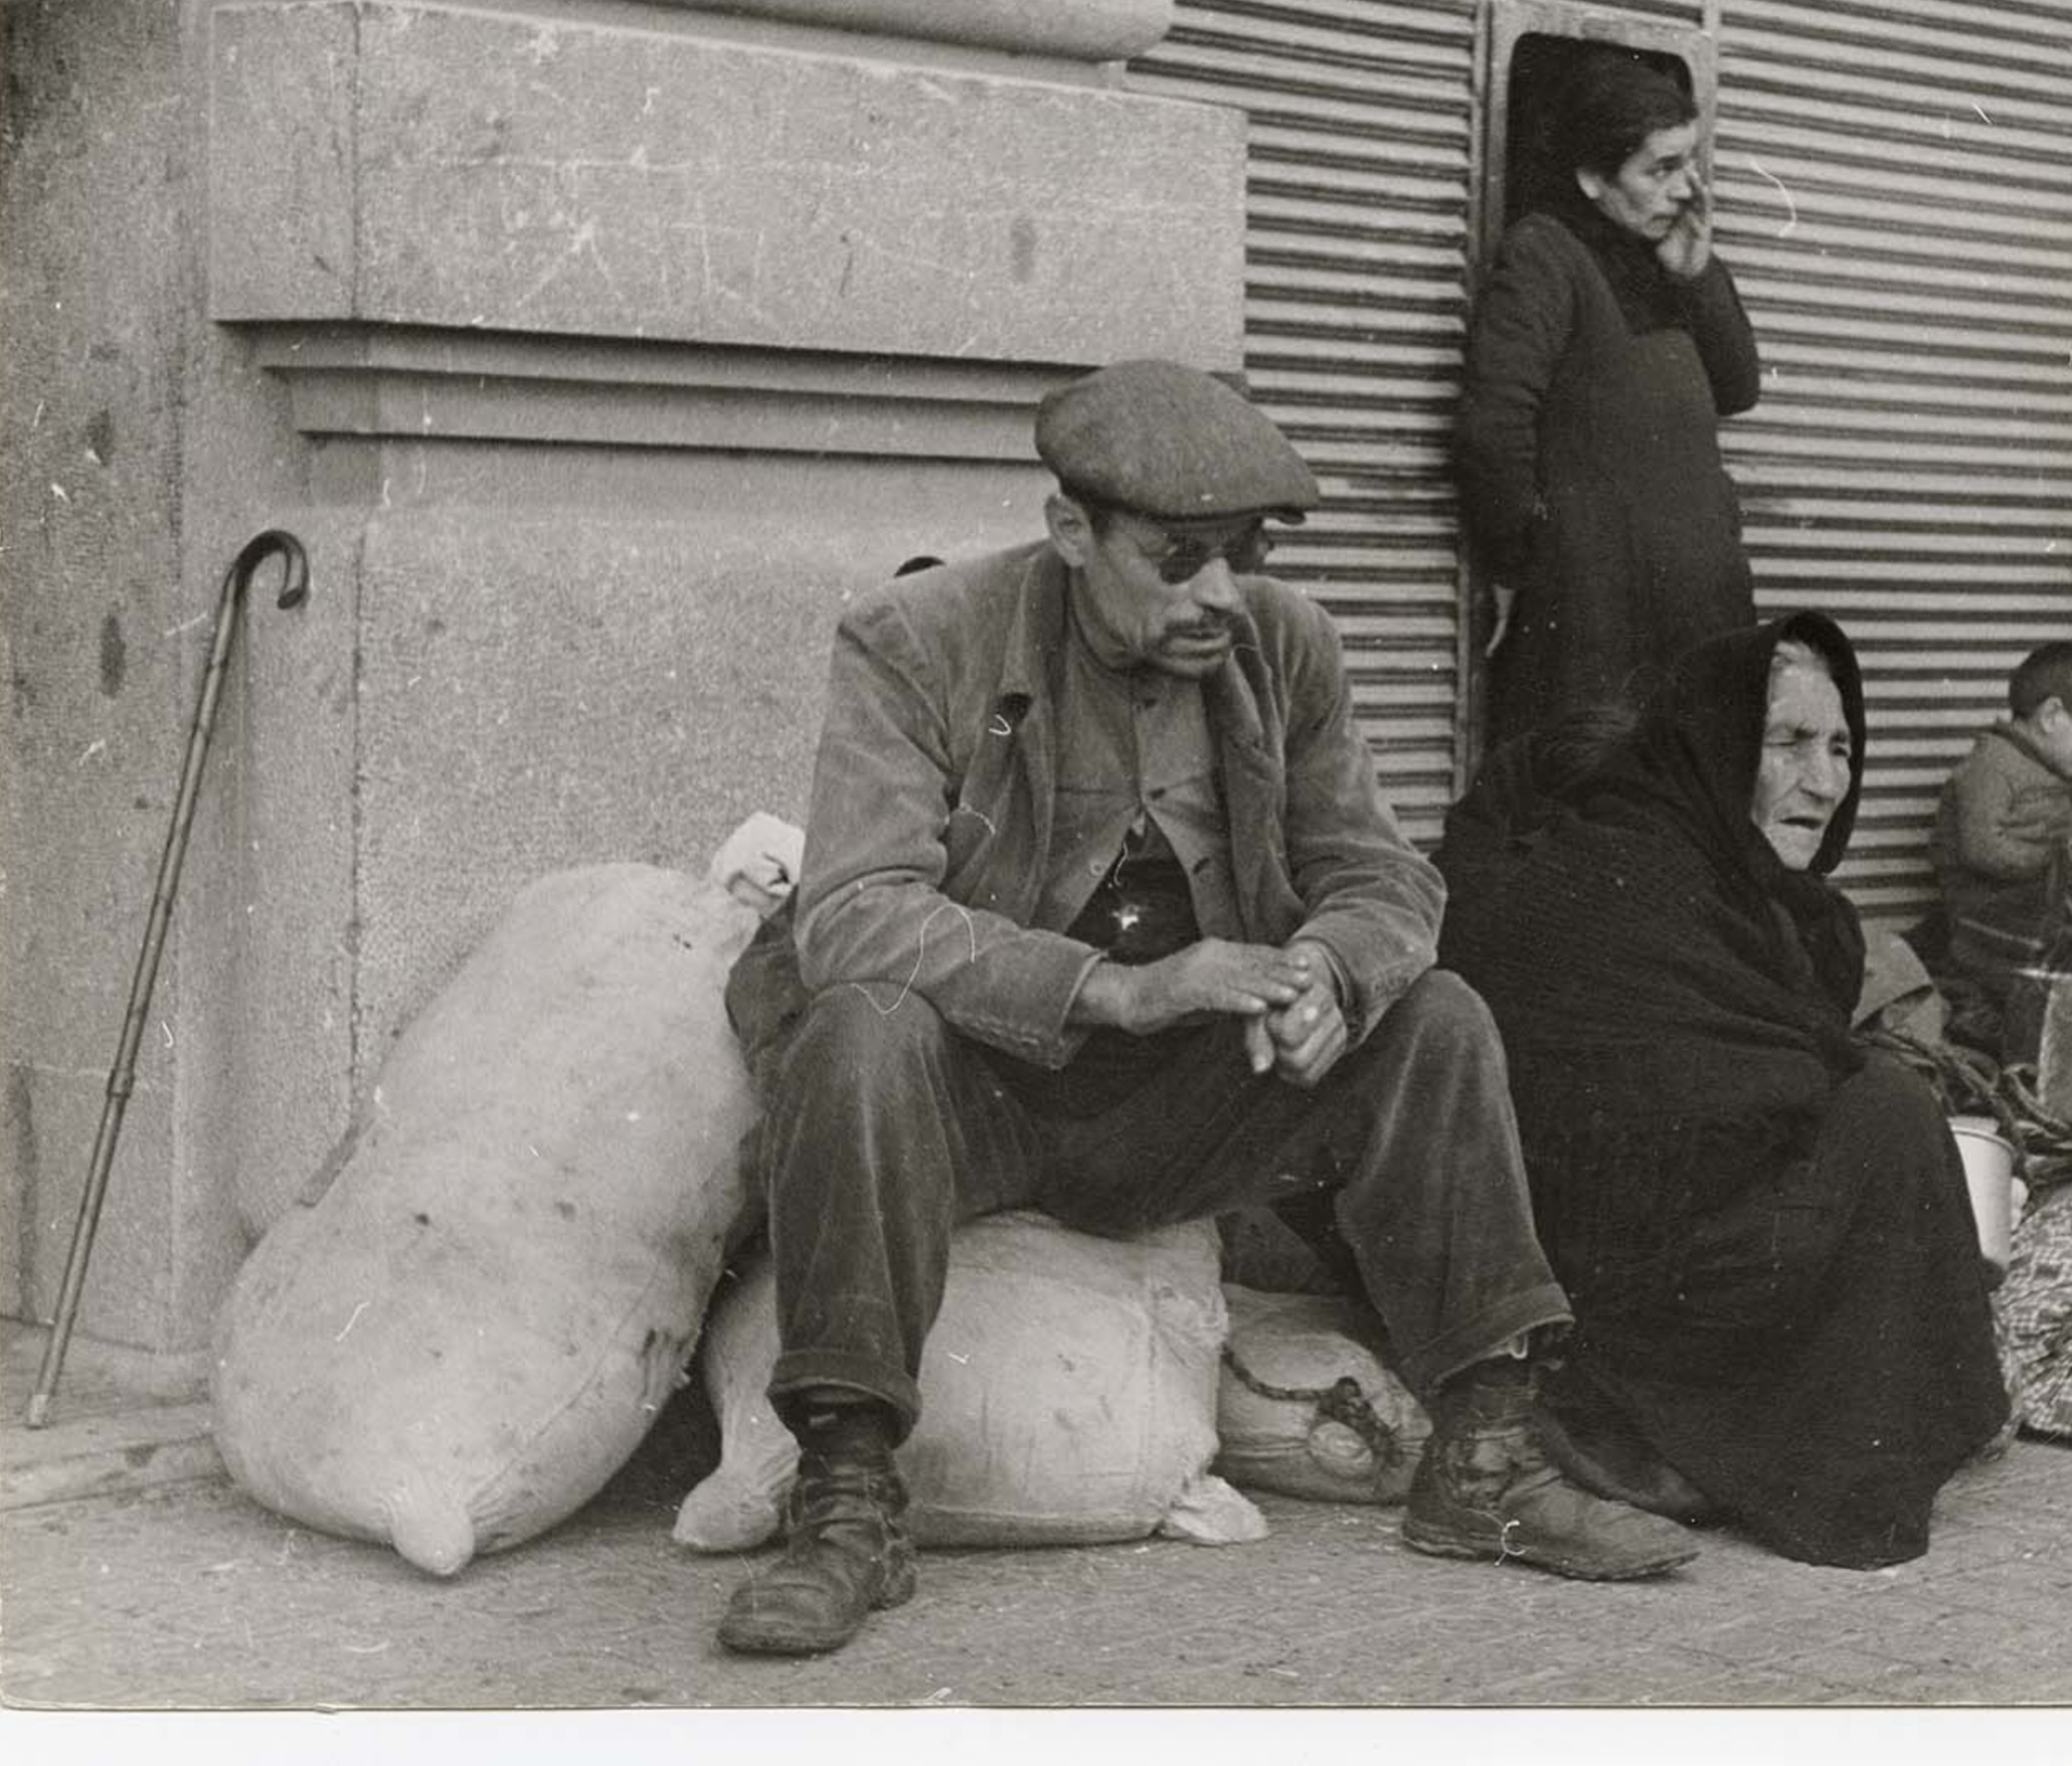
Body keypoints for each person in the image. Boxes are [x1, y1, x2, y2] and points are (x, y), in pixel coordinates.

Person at [716, 359, 1696, 1661]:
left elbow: (1382, 873)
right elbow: (853, 911)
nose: (1221, 595)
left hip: (1186, 1103)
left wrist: (1333, 976)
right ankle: (846, 1503)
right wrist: (1116, 988)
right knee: (859, 1029)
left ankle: (1486, 1461)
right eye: (1180, 559)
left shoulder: (1286, 646)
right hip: (979, 1090)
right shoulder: (919, 641)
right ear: (1072, 532)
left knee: (1436, 1018)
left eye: (1243, 553)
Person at [1435, 613, 2009, 1569]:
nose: (1826, 782)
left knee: (1883, 1113)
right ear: (1713, 745)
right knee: (1889, 1115)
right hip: (1595, 1287)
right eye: (1786, 743)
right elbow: (1663, 1113)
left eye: (1840, 749)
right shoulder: (1619, 870)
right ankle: (1729, 1446)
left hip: (1682, 1244)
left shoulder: (1776, 902)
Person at [1455, 46, 1762, 748]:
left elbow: (1739, 388)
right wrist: (1514, 565)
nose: (1688, 188)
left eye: (1690, 161)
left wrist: (1698, 275)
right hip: (1598, 612)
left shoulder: (1670, 252)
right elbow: (1494, 427)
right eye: (1661, 169)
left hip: (1698, 607)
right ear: (1593, 179)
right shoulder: (1546, 254)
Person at [1928, 640, 2072, 1012]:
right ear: (2052, 716)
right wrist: (2060, 860)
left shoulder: (2059, 772)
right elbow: (1983, 849)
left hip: (2036, 905)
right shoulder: (1992, 764)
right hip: (1984, 916)